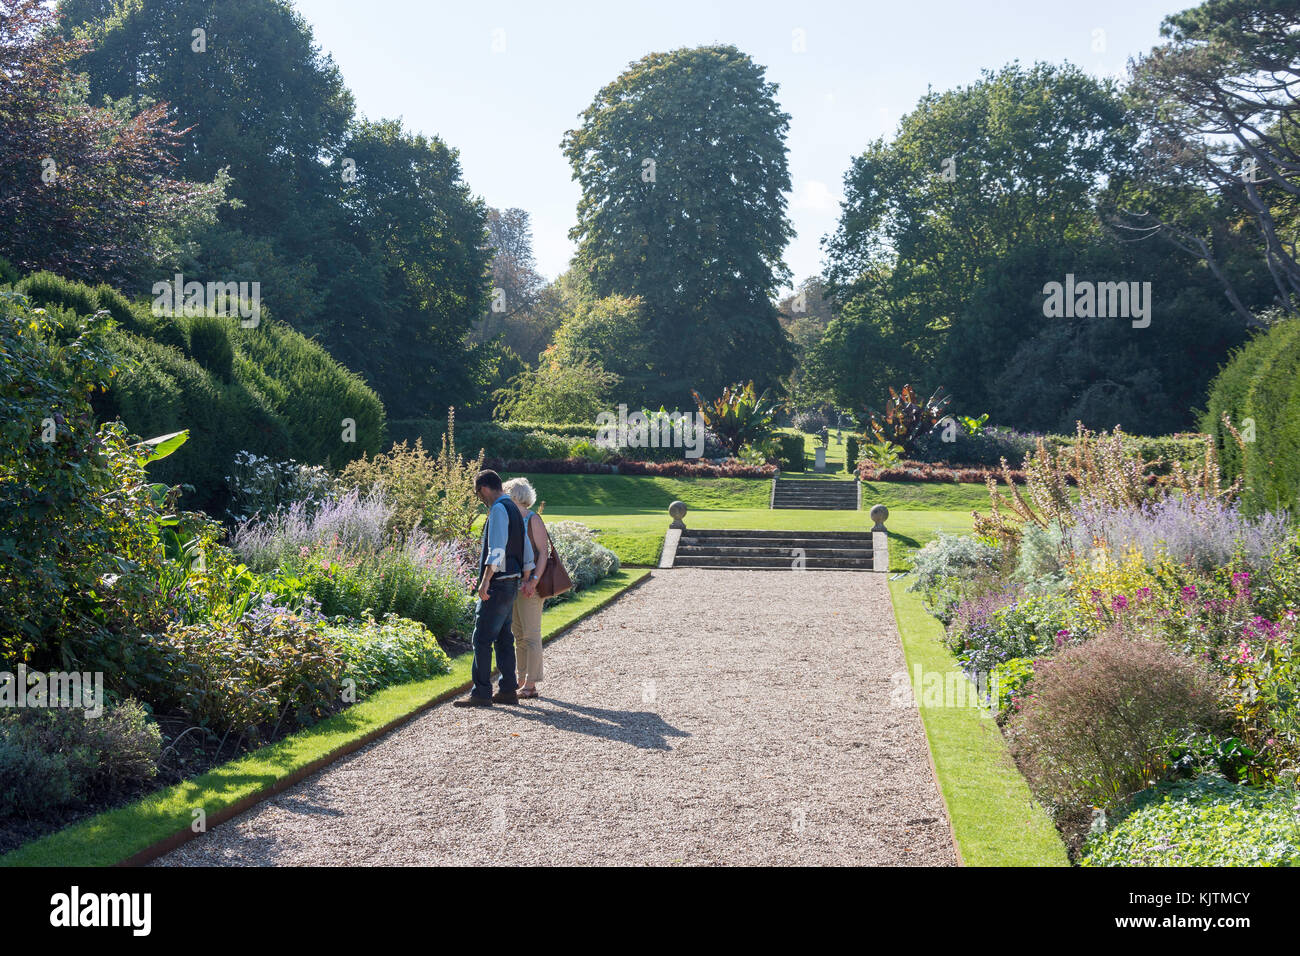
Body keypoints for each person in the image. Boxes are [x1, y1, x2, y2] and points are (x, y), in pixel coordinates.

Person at [453, 470, 534, 708]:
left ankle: (481, 692)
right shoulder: (516, 509)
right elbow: (526, 548)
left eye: (479, 495)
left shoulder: (499, 509)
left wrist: (486, 580)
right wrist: (526, 575)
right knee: (503, 638)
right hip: (512, 582)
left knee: (481, 638)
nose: (482, 500)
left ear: (484, 488)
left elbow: (496, 550)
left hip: (498, 583)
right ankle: (508, 689)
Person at [503, 477, 549, 699]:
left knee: (531, 635)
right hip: (514, 583)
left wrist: (534, 581)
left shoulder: (533, 519)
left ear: (513, 496)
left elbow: (543, 553)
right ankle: (521, 678)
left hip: (532, 586)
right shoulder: (511, 519)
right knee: (518, 634)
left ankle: (531, 684)